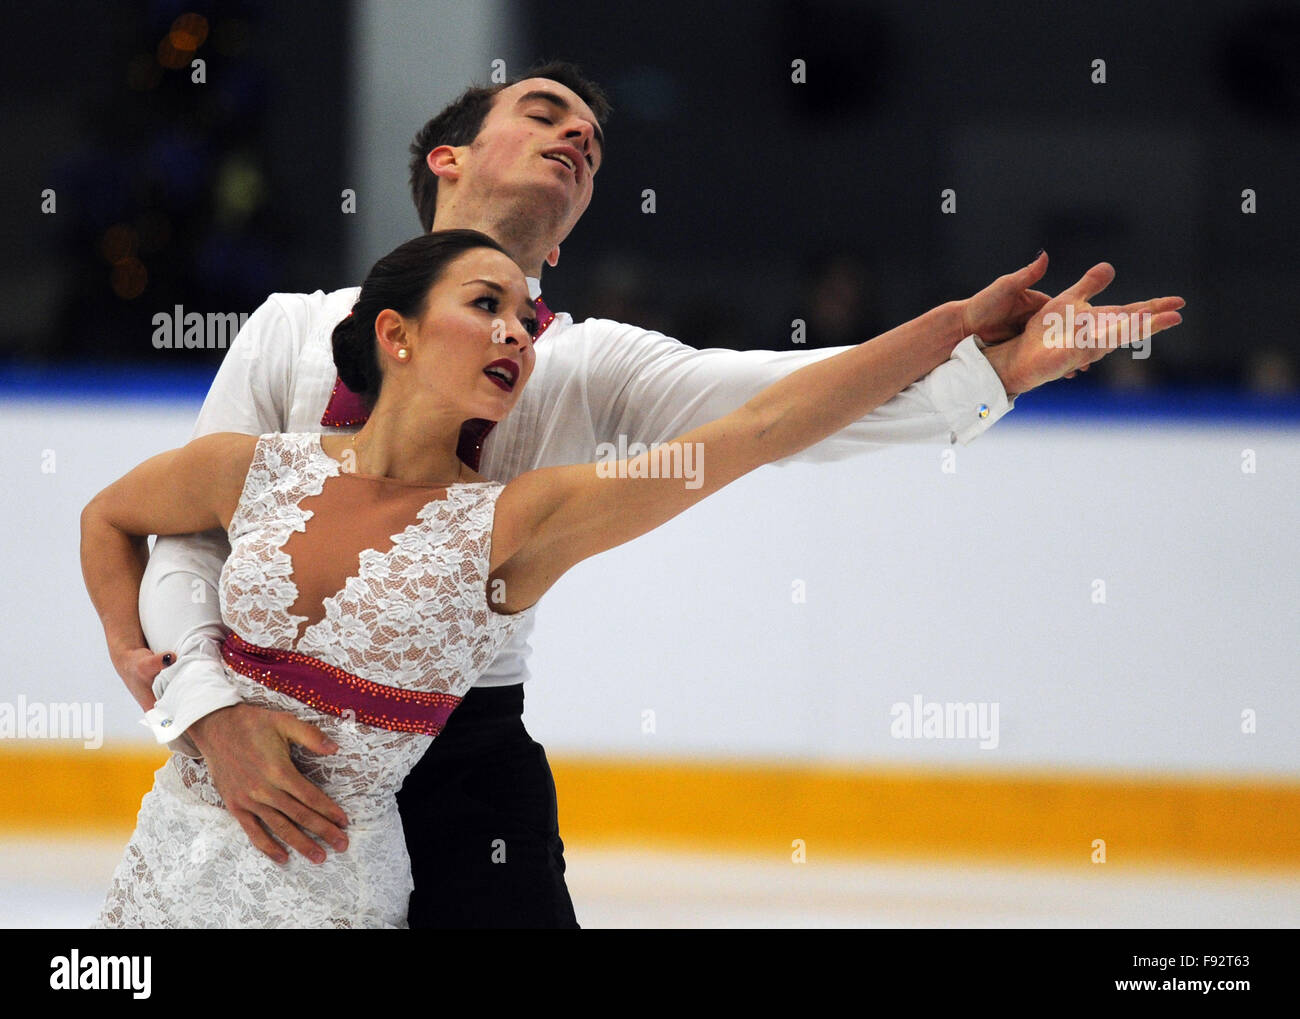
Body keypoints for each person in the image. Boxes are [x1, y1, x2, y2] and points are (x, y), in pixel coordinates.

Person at [101, 61, 1175, 928]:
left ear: (561, 246)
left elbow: (773, 412)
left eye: (596, 146)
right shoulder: (290, 328)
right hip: (245, 733)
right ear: (448, 158)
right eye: (544, 112)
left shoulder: (588, 363)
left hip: (467, 754)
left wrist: (985, 368)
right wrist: (207, 707)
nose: (579, 138)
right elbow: (182, 541)